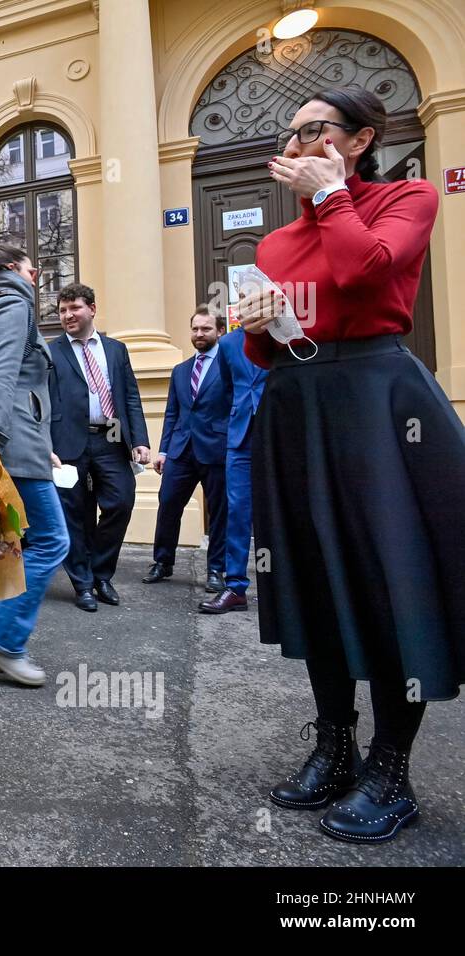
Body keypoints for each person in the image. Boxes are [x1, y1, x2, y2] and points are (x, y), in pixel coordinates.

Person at [240, 85, 461, 843]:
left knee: (386, 578)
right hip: (297, 403)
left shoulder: (410, 196)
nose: (297, 144)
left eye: (315, 132)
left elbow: (369, 270)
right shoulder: (274, 243)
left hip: (377, 400)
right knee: (309, 573)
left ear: (359, 140)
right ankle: (333, 743)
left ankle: (389, 765)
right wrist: (259, 325)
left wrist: (332, 196)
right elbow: (275, 341)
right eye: (292, 132)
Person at [0, 244, 70, 686]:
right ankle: (2, 641)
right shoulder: (14, 303)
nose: (37, 275)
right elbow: (3, 372)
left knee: (9, 545)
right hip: (12, 445)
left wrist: (42, 444)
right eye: (34, 268)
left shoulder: (1, 301)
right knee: (52, 539)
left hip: (22, 443)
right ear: (15, 269)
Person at [47, 283, 150, 612]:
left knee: (121, 500)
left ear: (92, 309)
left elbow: (130, 396)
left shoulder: (117, 350)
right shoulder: (51, 351)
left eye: (74, 308)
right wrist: (45, 445)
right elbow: (43, 401)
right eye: (62, 310)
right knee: (73, 513)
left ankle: (102, 573)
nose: (67, 315)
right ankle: (82, 583)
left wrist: (141, 440)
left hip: (111, 436)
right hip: (67, 442)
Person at [144, 306, 230, 595]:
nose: (199, 334)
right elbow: (172, 413)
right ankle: (162, 562)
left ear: (220, 331)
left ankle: (216, 570)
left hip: (217, 450)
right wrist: (164, 450)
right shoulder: (180, 370)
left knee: (219, 512)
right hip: (181, 451)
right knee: (168, 504)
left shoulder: (228, 366)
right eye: (195, 329)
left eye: (206, 329)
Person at [198, 324, 267, 614]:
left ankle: (286, 588)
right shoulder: (227, 344)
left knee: (282, 512)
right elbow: (227, 388)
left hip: (278, 432)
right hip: (239, 438)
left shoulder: (287, 335)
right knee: (237, 510)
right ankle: (235, 587)